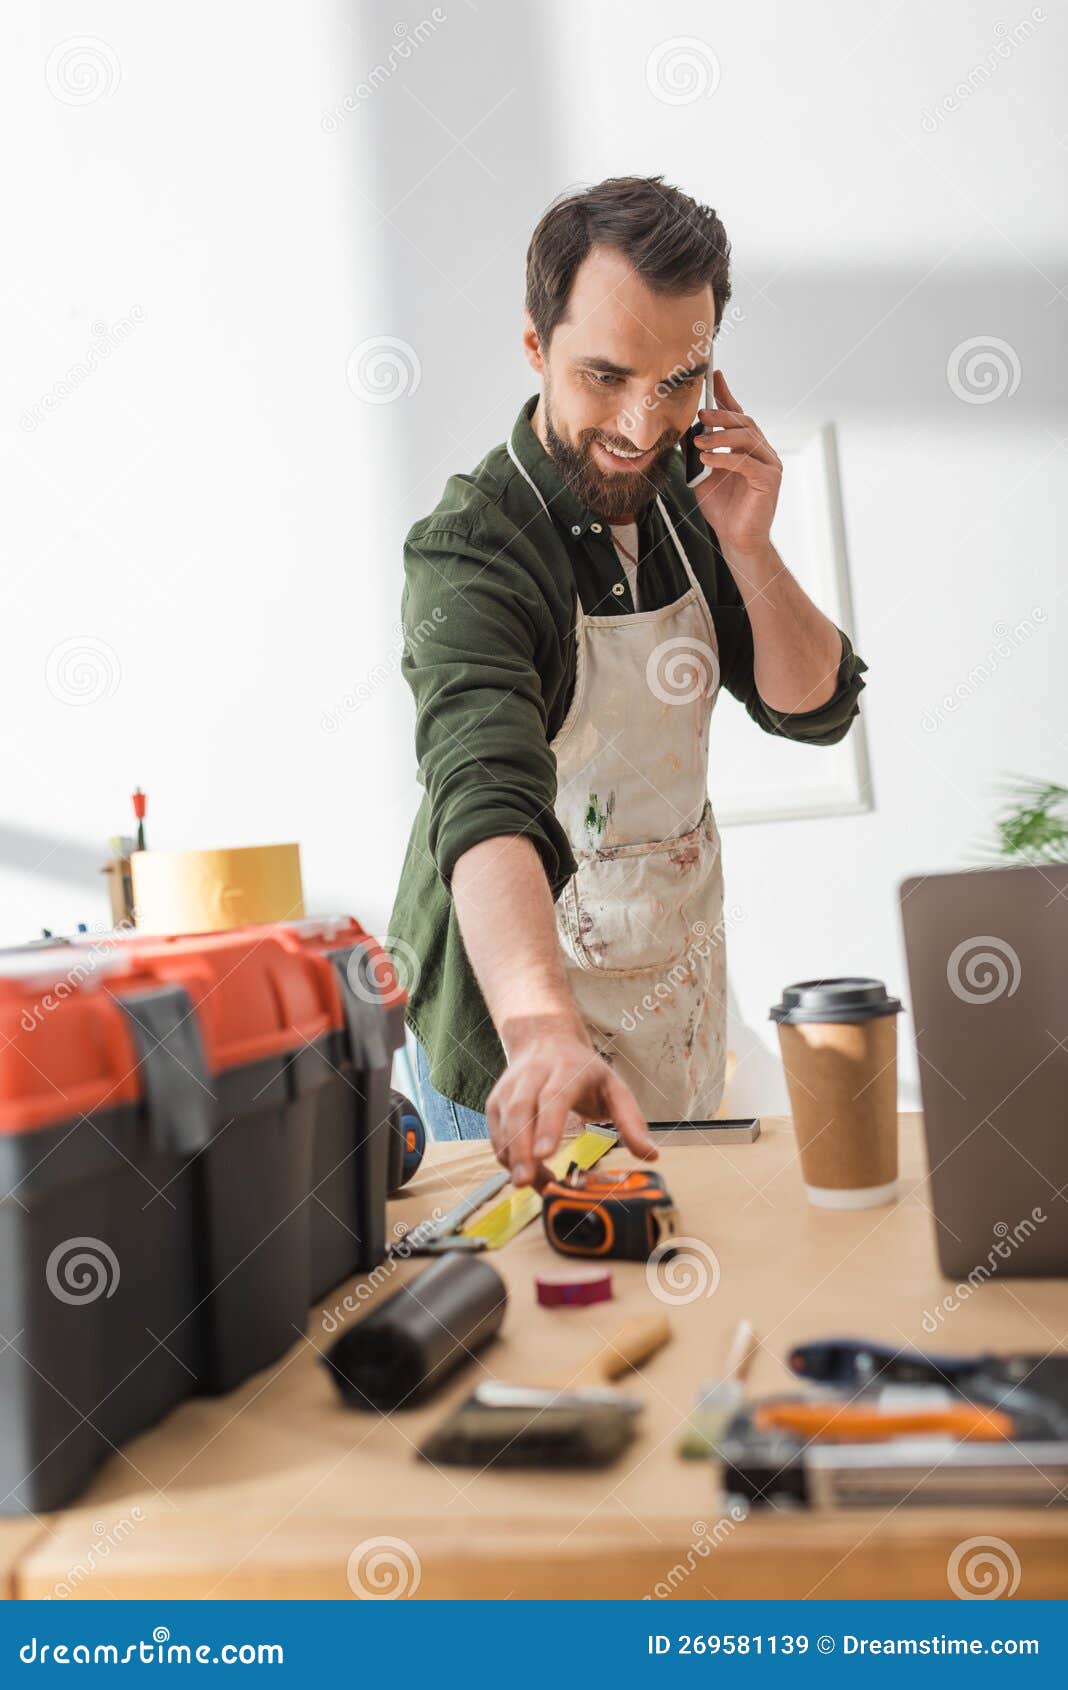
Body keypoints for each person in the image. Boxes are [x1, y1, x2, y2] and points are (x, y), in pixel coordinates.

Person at [389, 176, 867, 1185]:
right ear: (535, 347)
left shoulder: (686, 496)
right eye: (604, 376)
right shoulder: (475, 547)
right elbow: (484, 794)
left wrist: (751, 546)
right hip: (514, 1041)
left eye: (677, 381)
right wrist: (543, 1034)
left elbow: (815, 705)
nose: (642, 427)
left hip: (675, 1003)